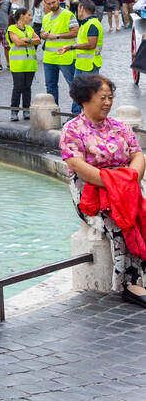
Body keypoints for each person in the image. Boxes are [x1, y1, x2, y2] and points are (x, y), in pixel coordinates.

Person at [60, 74, 146, 307]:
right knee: (119, 225)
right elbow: (78, 166)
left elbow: (137, 154)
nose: (107, 102)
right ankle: (130, 284)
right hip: (91, 192)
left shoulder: (120, 126)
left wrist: (131, 179)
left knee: (141, 217)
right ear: (85, 100)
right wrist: (118, 182)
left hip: (125, 189)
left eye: (110, 97)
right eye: (102, 98)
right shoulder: (72, 130)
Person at [54, 0, 103, 116]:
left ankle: (85, 116)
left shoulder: (92, 24)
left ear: (81, 9)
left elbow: (91, 44)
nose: (77, 12)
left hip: (89, 64)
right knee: (77, 91)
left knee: (87, 93)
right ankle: (77, 115)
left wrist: (71, 46)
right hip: (82, 64)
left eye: (78, 9)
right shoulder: (86, 23)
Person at [39, 0, 78, 105]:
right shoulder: (46, 17)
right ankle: (52, 111)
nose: (51, 5)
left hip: (65, 57)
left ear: (58, 0)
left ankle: (75, 114)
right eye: (48, 4)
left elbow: (76, 31)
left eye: (53, 2)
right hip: (49, 58)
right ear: (45, 4)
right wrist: (43, 35)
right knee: (50, 87)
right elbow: (41, 32)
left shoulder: (68, 14)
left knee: (73, 86)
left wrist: (57, 36)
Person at [6, 8, 39, 121]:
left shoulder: (29, 28)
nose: (31, 17)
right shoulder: (12, 28)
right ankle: (14, 112)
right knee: (18, 87)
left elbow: (38, 40)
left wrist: (27, 39)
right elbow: (18, 43)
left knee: (27, 88)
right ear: (21, 16)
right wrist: (30, 40)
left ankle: (26, 111)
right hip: (18, 64)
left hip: (30, 64)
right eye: (29, 15)